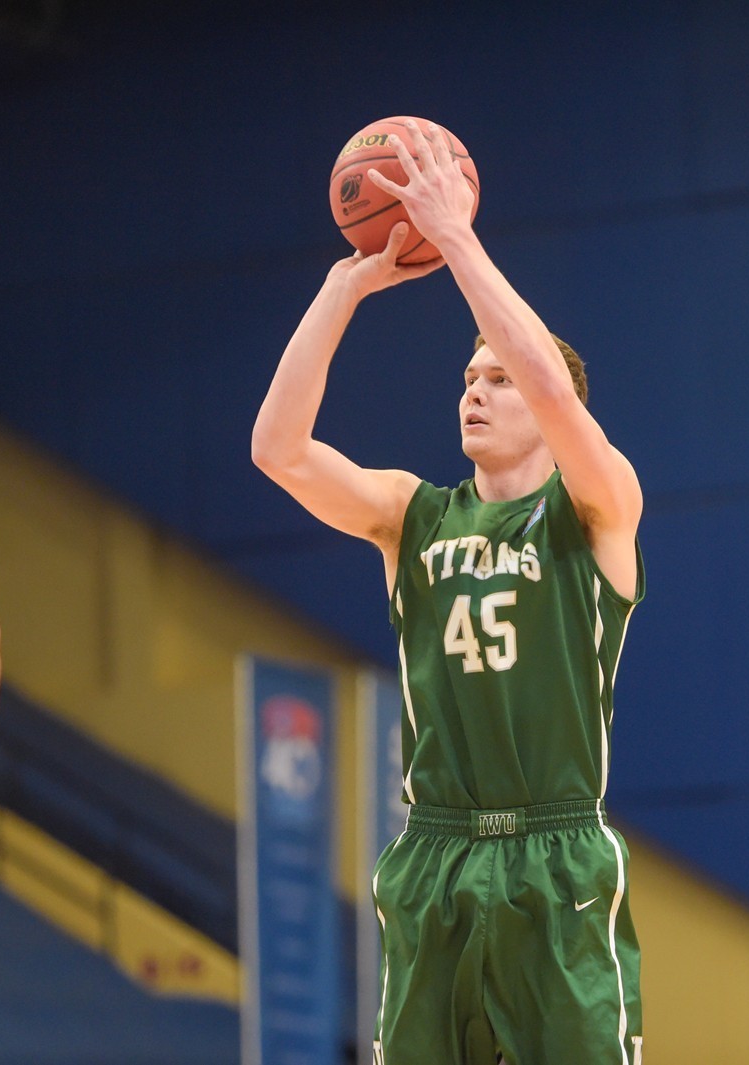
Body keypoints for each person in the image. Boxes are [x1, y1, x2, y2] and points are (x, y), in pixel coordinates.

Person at [254, 120, 645, 1065]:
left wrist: (458, 239)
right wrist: (343, 286)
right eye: (468, 376)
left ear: (554, 415)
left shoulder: (597, 507)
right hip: (434, 852)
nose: (475, 390)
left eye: (498, 378)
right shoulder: (410, 514)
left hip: (559, 857)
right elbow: (278, 449)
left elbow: (555, 384)